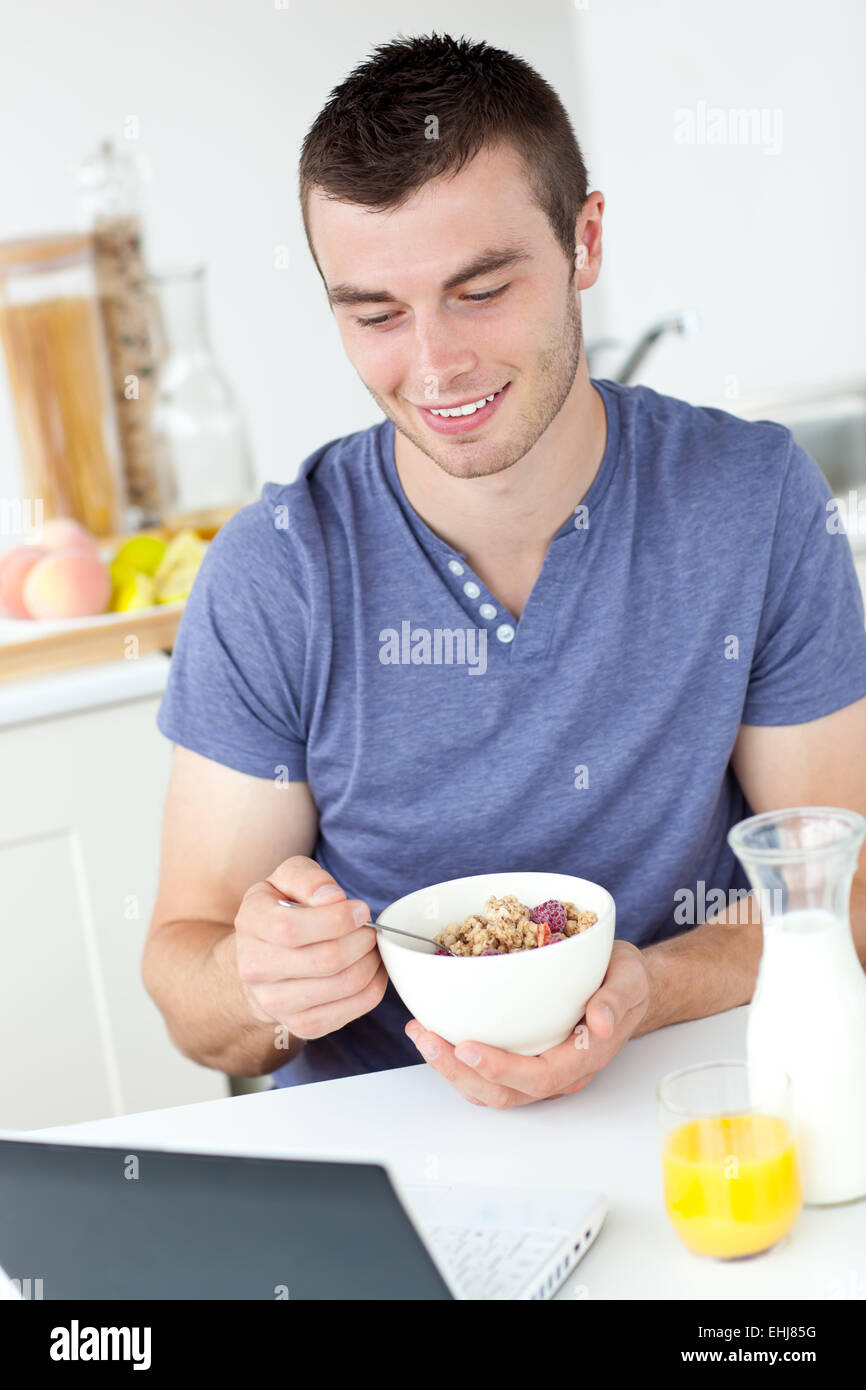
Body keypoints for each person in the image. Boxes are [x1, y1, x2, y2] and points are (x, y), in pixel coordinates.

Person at [142, 33, 866, 1107]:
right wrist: (258, 984)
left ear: (584, 240)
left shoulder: (749, 500)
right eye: (375, 313)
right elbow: (190, 991)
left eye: (479, 290)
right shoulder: (278, 570)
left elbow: (835, 898)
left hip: (682, 1094)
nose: (433, 366)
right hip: (380, 1140)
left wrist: (640, 993)